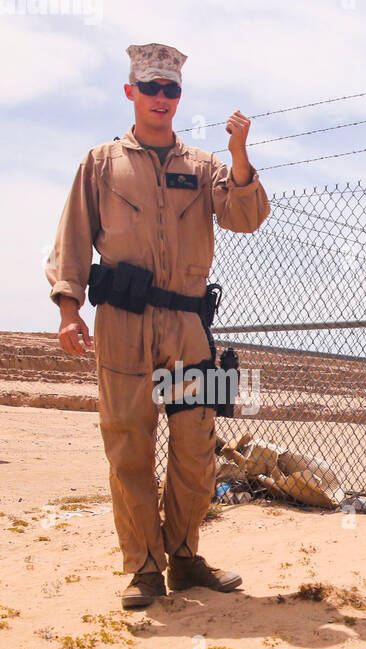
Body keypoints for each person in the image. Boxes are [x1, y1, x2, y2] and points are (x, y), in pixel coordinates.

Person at [46, 43, 270, 609]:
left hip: (189, 328)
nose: (161, 98)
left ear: (179, 97)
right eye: (151, 87)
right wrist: (69, 309)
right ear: (131, 92)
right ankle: (144, 567)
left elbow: (247, 216)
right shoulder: (100, 163)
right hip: (123, 324)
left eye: (171, 89)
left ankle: (186, 557)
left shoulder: (204, 167)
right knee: (129, 444)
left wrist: (239, 155)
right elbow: (73, 237)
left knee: (197, 444)